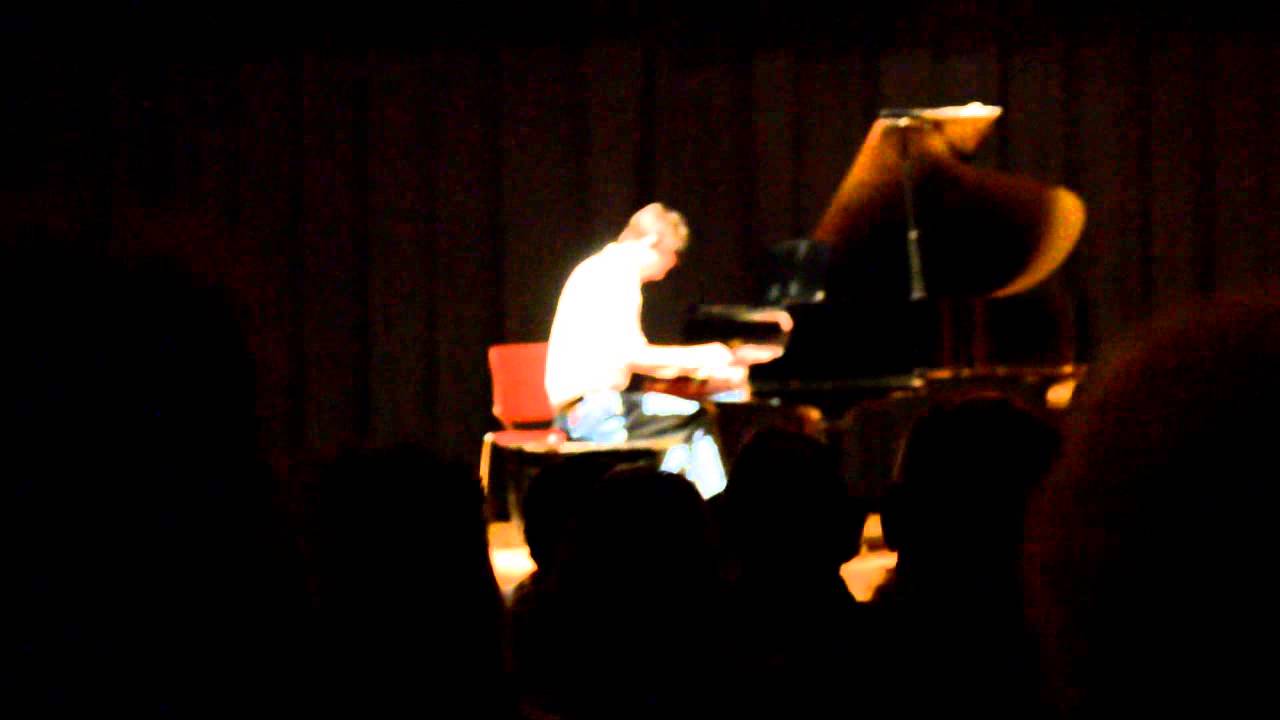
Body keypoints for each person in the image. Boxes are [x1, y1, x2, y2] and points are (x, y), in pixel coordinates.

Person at [543, 203, 742, 497]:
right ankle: (714, 511)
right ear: (651, 241)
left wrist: (693, 367)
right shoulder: (616, 274)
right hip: (595, 411)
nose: (664, 273)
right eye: (669, 257)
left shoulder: (598, 268)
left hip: (583, 409)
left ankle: (674, 512)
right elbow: (633, 355)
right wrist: (703, 356)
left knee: (678, 435)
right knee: (697, 419)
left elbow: (627, 356)